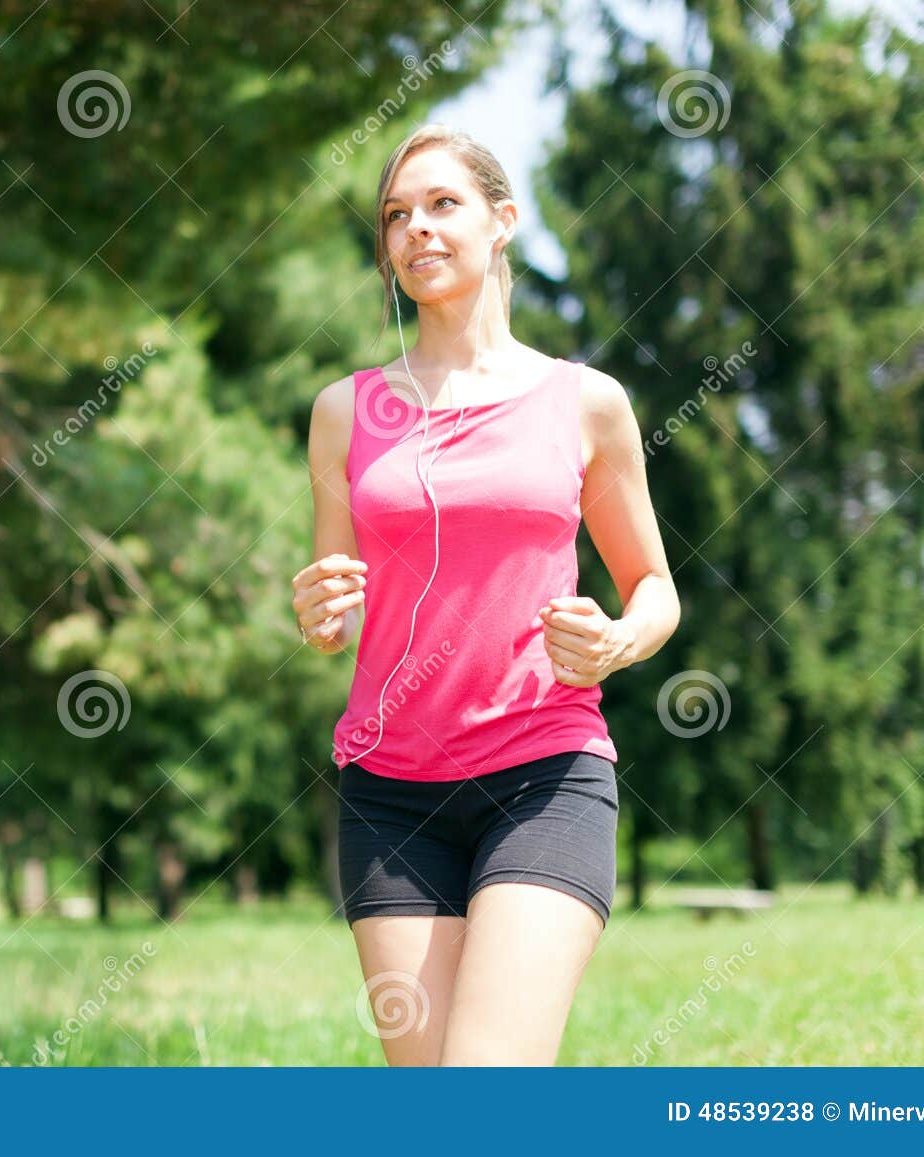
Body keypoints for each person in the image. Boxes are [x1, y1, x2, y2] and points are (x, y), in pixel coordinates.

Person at [292, 124, 680, 1066]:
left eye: (441, 204)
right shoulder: (345, 412)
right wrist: (316, 614)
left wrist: (618, 641)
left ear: (502, 220)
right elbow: (332, 619)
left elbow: (654, 588)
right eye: (395, 215)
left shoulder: (584, 402)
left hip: (543, 772)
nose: (416, 229)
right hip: (389, 796)